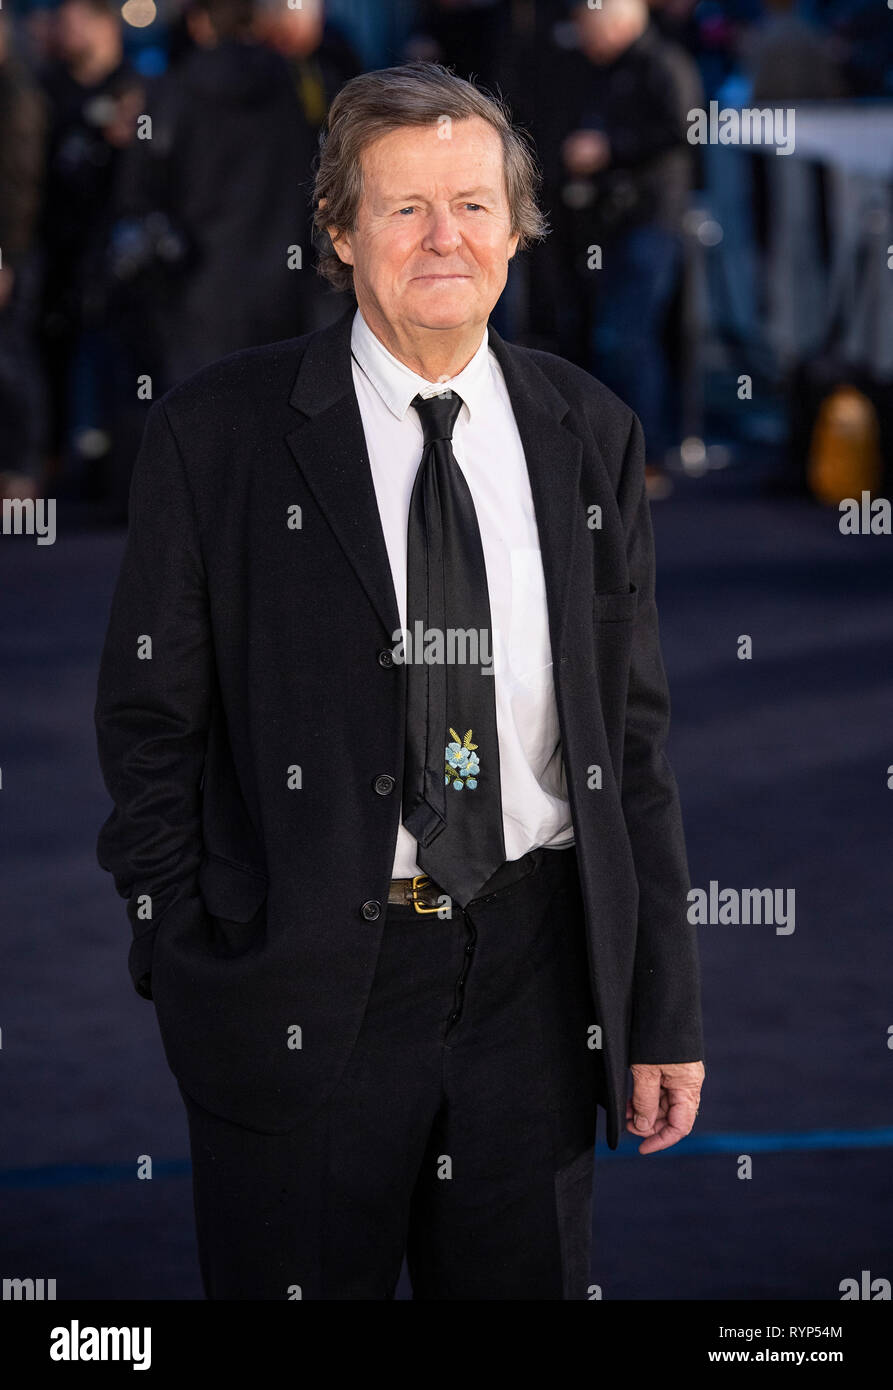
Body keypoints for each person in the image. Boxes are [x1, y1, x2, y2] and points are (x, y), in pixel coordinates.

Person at [95, 60, 705, 1301]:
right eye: (405, 207)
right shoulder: (216, 435)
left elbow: (630, 745)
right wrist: (188, 957)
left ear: (516, 228)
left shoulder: (589, 433)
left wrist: (657, 1007)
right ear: (338, 230)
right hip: (299, 988)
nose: (445, 238)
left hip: (536, 990)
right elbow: (151, 724)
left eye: (474, 205)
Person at [538, 0, 701, 496]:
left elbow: (685, 129)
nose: (583, 38)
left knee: (628, 338)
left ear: (615, 22)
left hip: (650, 221)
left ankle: (644, 458)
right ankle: (618, 456)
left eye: (589, 26)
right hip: (606, 223)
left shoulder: (663, 63)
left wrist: (610, 148)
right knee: (607, 335)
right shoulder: (600, 70)